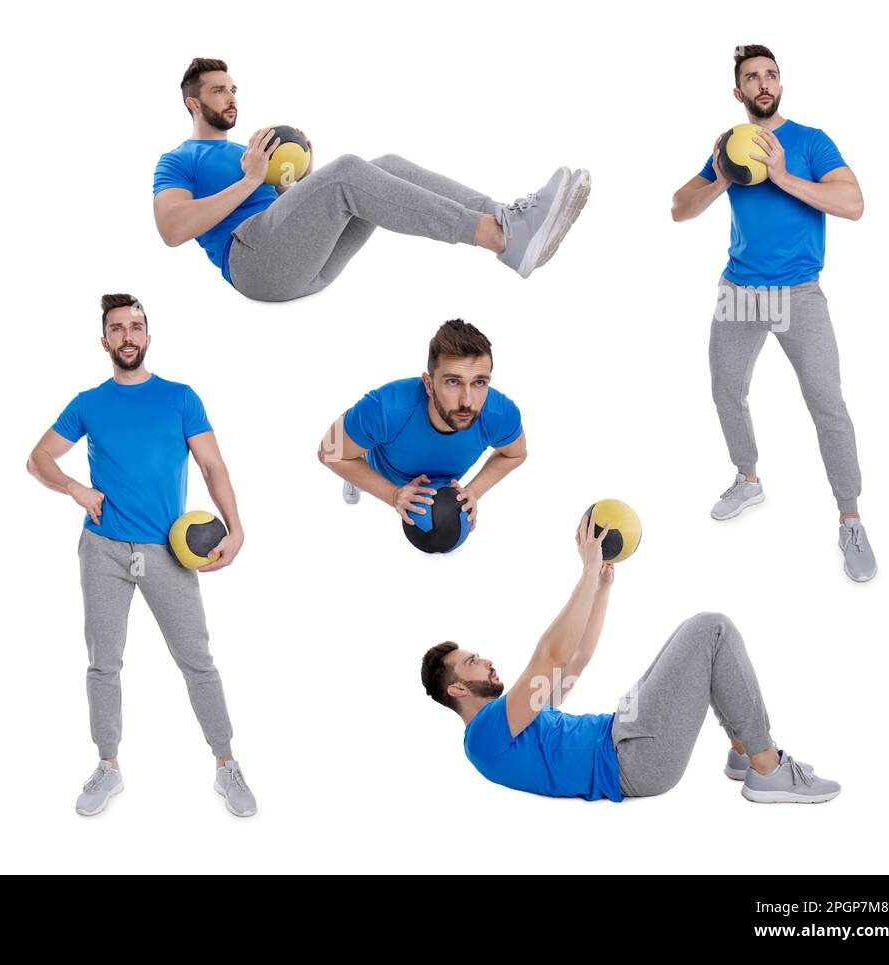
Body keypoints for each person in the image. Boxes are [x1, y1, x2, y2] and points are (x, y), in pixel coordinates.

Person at [421, 512, 841, 804]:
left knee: (694, 638)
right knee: (711, 629)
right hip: (632, 762)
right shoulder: (484, 736)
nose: (487, 661)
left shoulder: (515, 722)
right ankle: (767, 768)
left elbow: (574, 662)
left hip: (624, 728)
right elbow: (551, 655)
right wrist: (585, 570)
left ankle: (745, 752)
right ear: (456, 687)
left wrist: (602, 585)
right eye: (473, 661)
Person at [26, 294, 258, 817]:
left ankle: (227, 765)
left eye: (136, 326)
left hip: (167, 551)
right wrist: (74, 489)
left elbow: (213, 467)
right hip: (103, 549)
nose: (127, 335)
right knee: (103, 664)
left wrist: (237, 529)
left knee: (197, 662)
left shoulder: (180, 397)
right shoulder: (88, 402)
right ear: (104, 341)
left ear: (148, 338)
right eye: (117, 328)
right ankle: (108, 766)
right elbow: (37, 458)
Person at [671, 45, 874, 581]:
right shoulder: (730, 146)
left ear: (780, 84)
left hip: (799, 294)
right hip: (738, 290)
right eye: (751, 78)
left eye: (770, 75)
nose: (763, 84)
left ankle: (850, 517)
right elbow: (678, 209)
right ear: (739, 93)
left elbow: (853, 204)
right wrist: (719, 177)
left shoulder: (810, 141)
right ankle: (749, 479)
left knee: (827, 402)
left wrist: (781, 175)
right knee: (725, 390)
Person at [153, 58, 590, 303]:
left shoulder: (245, 153)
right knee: (347, 171)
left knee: (386, 164)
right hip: (252, 265)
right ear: (193, 103)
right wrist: (250, 180)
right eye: (218, 91)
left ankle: (508, 219)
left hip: (300, 265)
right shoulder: (178, 159)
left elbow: (279, 208)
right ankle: (500, 237)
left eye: (233, 90)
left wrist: (300, 179)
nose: (230, 98)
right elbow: (172, 230)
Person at [318, 319, 526, 533]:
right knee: (347, 448)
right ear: (428, 384)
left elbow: (515, 454)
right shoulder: (386, 407)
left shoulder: (499, 413)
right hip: (384, 472)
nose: (467, 401)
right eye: (453, 382)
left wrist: (473, 490)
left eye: (479, 382)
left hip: (446, 482)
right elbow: (328, 452)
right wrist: (392, 494)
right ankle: (355, 469)